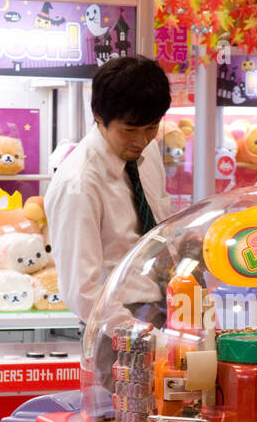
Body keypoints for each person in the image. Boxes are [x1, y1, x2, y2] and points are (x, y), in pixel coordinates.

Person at [45, 55, 173, 327]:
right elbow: (81, 290)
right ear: (99, 116)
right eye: (129, 130)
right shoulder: (78, 184)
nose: (141, 140)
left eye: (151, 127)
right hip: (115, 322)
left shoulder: (148, 154)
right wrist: (136, 332)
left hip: (166, 307)